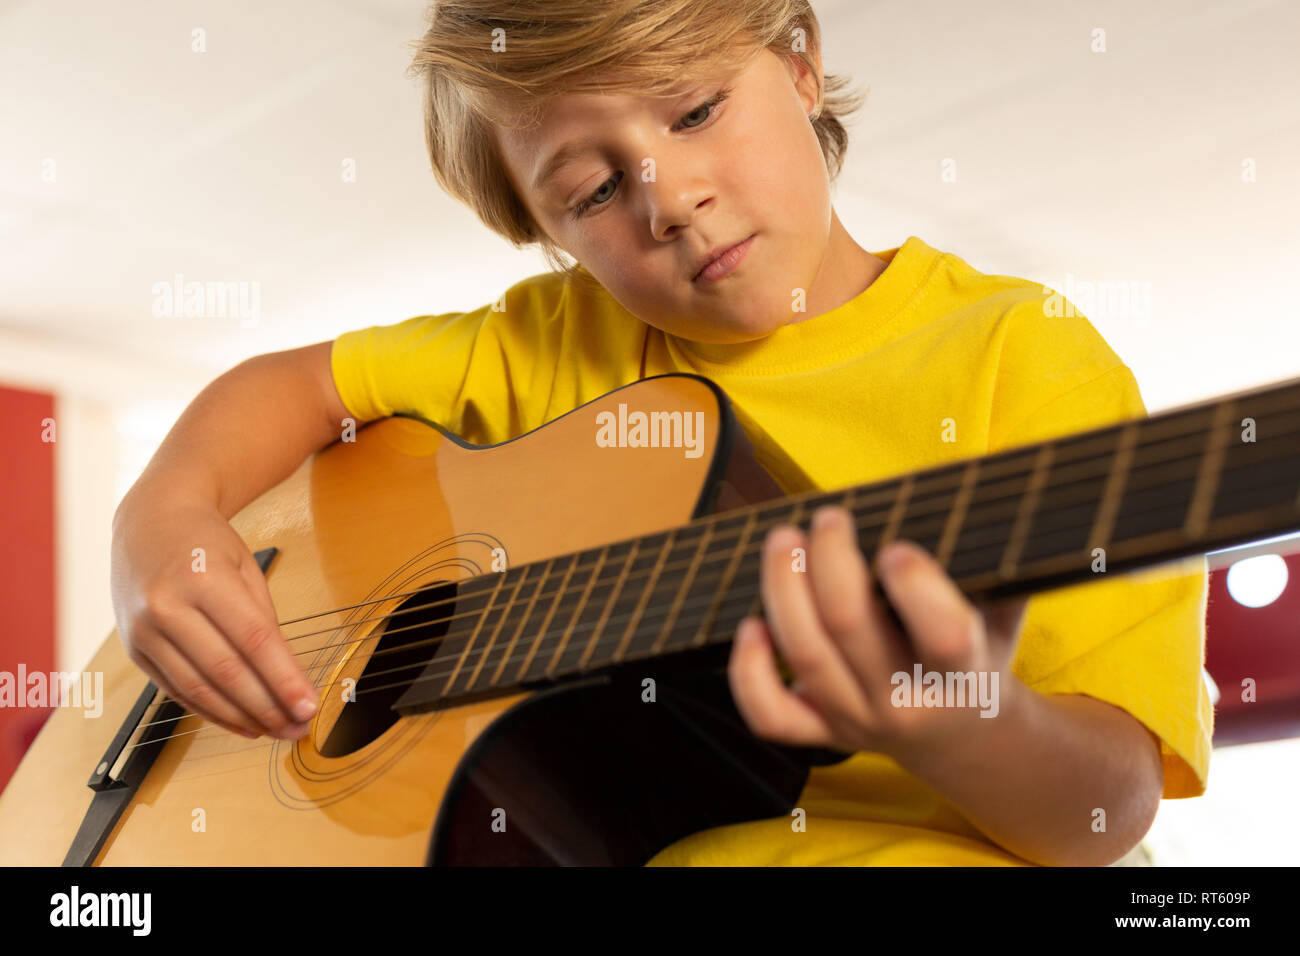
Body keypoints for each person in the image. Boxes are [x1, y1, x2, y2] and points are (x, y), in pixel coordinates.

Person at [110, 0, 1211, 866]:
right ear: (546, 237)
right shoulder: (548, 346)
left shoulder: (1020, 353)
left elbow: (1106, 810)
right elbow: (297, 382)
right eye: (590, 190)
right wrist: (161, 516)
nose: (669, 195)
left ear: (797, 62)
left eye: (692, 112)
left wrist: (951, 718)